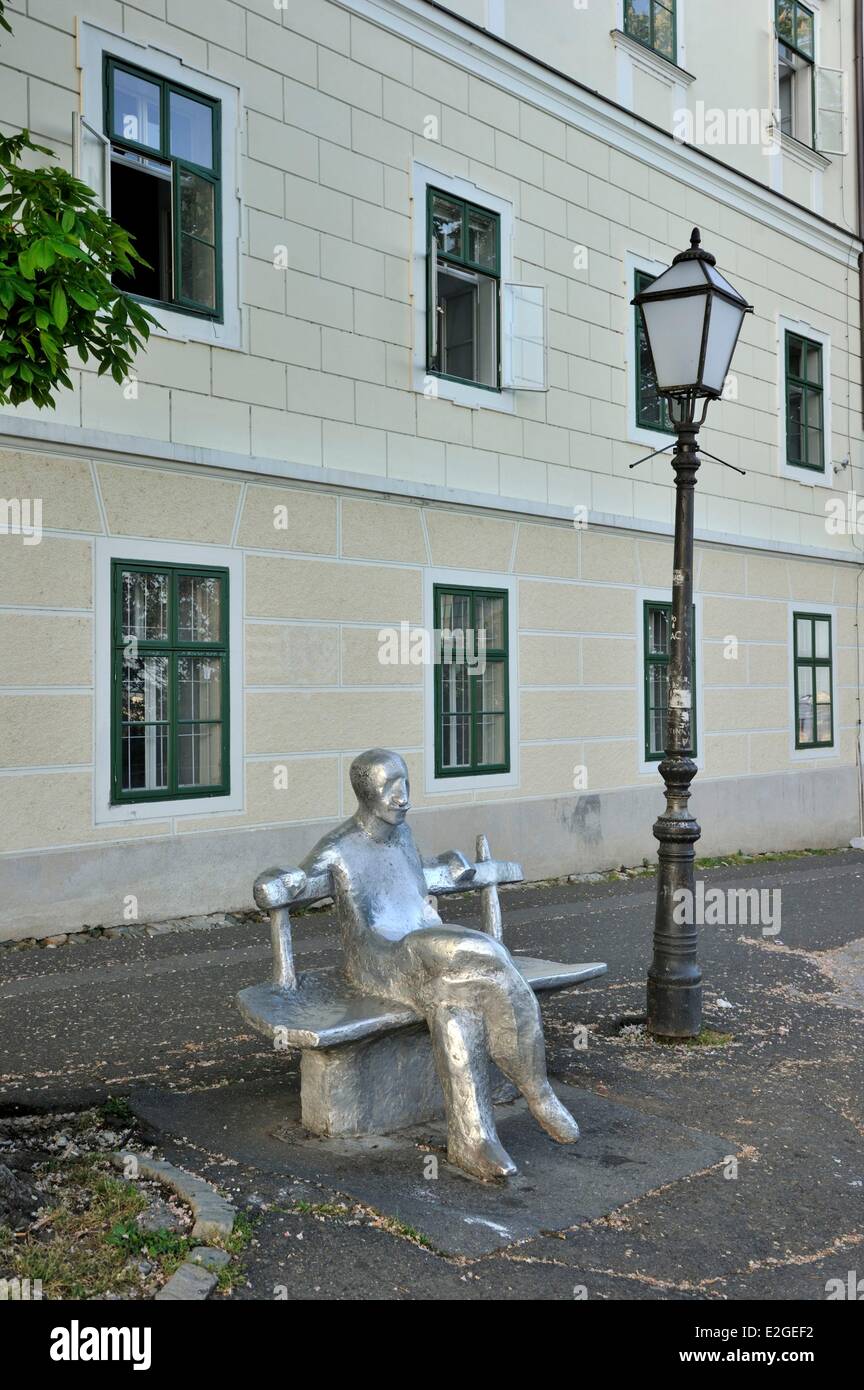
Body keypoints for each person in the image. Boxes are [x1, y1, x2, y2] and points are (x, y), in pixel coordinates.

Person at [300, 747, 579, 1180]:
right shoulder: (339, 848)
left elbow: (413, 884)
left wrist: (447, 864)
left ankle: (473, 1141)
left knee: (455, 1006)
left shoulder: (404, 837)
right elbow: (296, 881)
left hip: (421, 961)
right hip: (382, 959)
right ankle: (537, 1091)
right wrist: (276, 883)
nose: (403, 797)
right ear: (366, 792)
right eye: (391, 788)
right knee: (484, 952)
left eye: (407, 786)